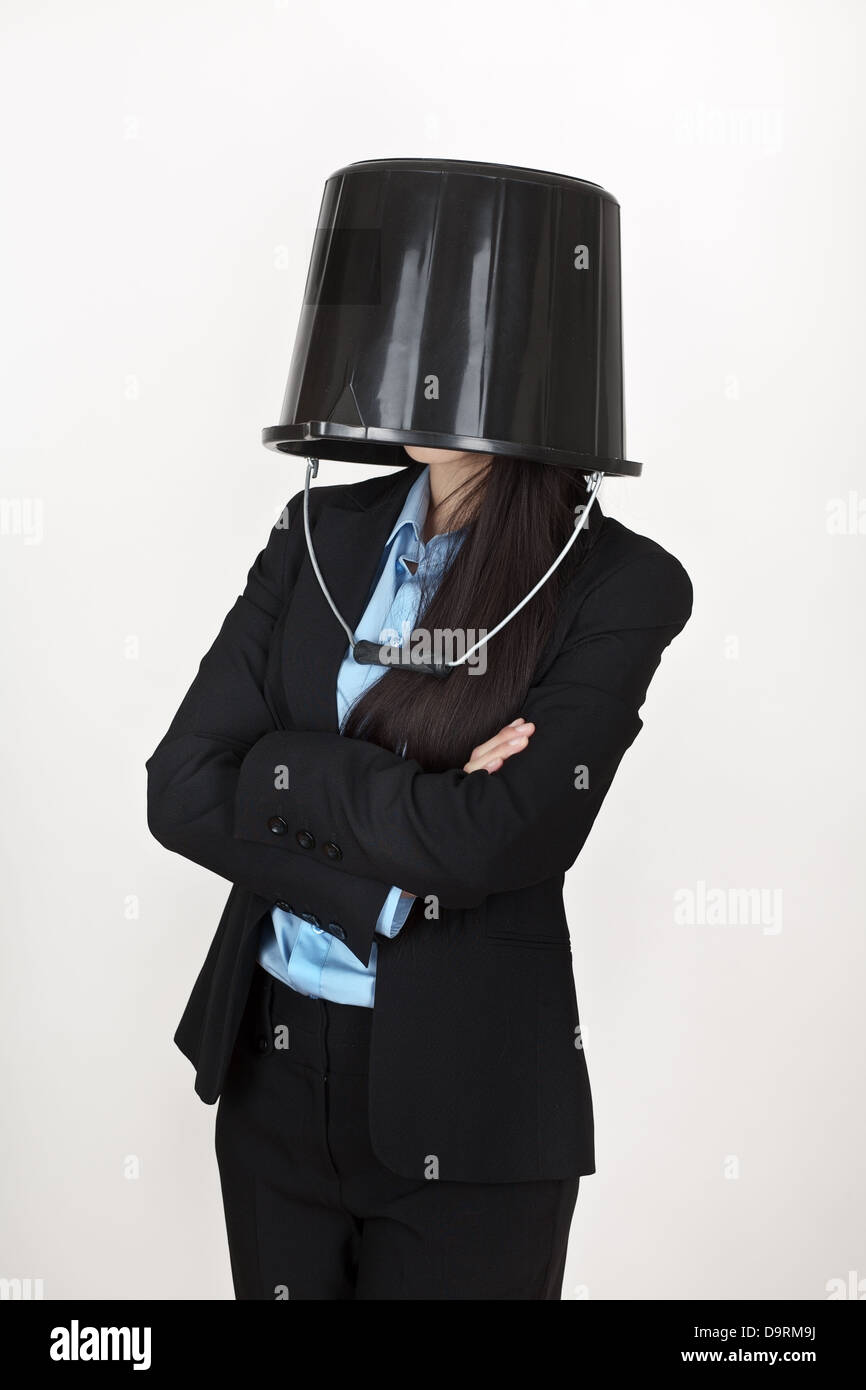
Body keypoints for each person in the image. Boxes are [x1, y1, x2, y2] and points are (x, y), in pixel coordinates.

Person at [146, 439, 693, 1299]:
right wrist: (410, 845)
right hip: (270, 1074)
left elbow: (501, 838)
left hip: (472, 1107)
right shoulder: (318, 530)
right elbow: (180, 788)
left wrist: (282, 769)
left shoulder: (621, 582)